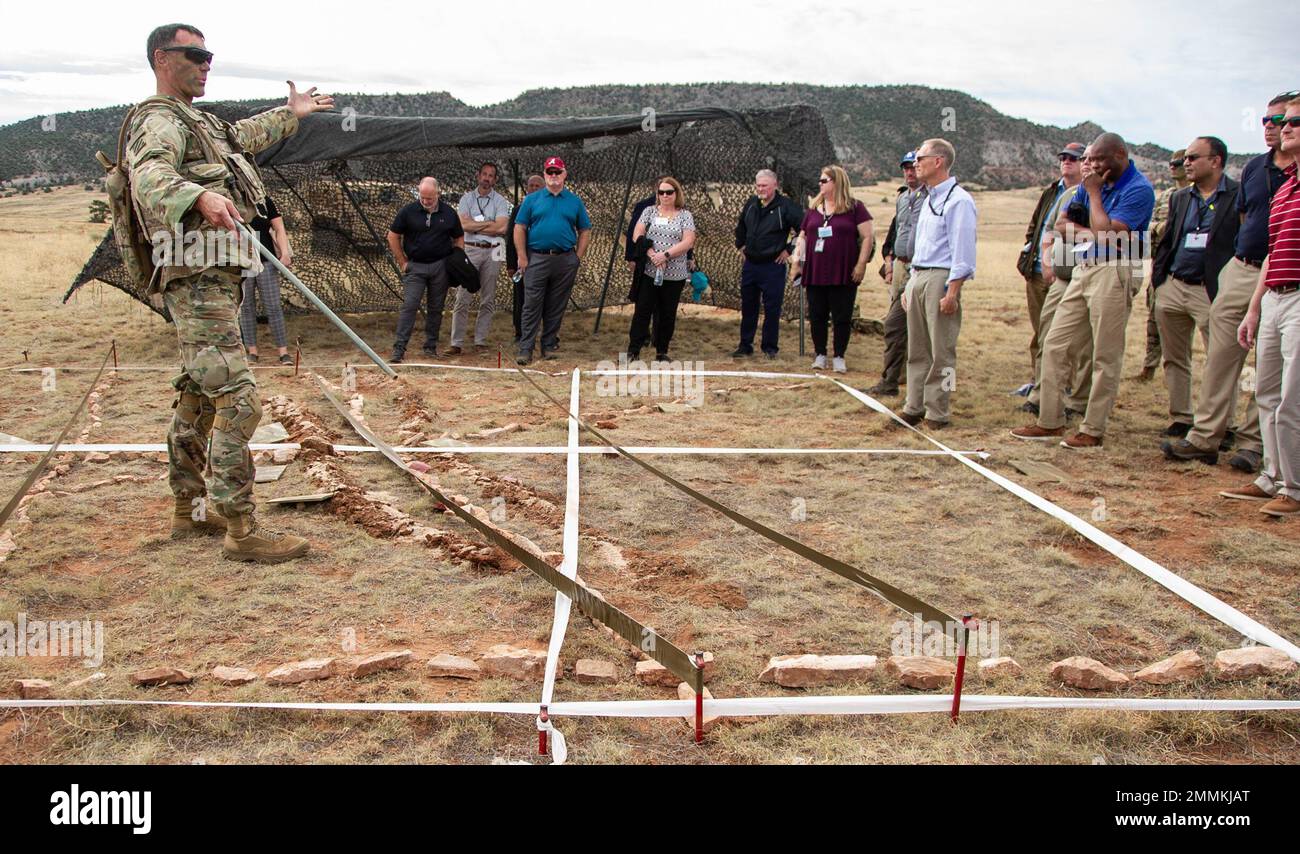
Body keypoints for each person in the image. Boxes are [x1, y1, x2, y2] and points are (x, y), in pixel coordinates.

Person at [128, 23, 331, 561]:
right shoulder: (157, 120)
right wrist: (197, 197)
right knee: (239, 400)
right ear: (161, 59)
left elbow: (242, 137)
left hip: (213, 278)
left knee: (198, 395)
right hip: (195, 279)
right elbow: (148, 177)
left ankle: (190, 509)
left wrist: (292, 113)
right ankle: (241, 530)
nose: (206, 63)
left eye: (209, 54)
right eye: (194, 54)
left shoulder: (200, 122)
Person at [1164, 92, 1297, 472]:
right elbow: (1245, 221)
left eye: (1283, 119)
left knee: (1270, 362)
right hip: (1242, 268)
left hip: (1283, 275)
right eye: (1268, 120)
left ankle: (1255, 443)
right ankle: (1206, 437)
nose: (1273, 126)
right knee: (1222, 355)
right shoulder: (1255, 169)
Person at [1012, 132, 1155, 448]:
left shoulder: (1138, 189)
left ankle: (1092, 428)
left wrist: (1092, 195)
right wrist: (1091, 232)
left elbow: (1110, 235)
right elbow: (1061, 224)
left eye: (1098, 160)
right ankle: (1049, 421)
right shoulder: (1092, 184)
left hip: (1116, 269)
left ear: (1119, 155)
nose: (1092, 166)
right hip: (1083, 267)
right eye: (1088, 160)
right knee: (1054, 343)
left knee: (1105, 352)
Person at [1221, 95, 1300, 518]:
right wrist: (1255, 308)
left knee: (1292, 397)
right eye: (1279, 122)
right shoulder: (1287, 187)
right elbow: (1271, 252)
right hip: (1275, 296)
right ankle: (1273, 476)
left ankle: (1294, 486)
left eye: (1293, 122)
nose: (1283, 128)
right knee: (1267, 391)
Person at [1150, 137, 1240, 441]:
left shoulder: (1236, 196)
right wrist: (1160, 280)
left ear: (1215, 161)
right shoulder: (1180, 198)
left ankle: (1222, 424)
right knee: (1175, 357)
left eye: (1193, 157)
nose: (1186, 163)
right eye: (1185, 158)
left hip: (1211, 289)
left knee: (1220, 360)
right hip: (1174, 284)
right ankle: (1181, 417)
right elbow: (1170, 237)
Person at [893, 138, 976, 429]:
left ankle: (937, 412)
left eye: (921, 157)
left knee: (941, 348)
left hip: (942, 278)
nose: (916, 163)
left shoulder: (959, 200)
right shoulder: (927, 199)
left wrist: (952, 292)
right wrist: (911, 283)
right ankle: (913, 406)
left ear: (938, 161)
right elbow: (922, 245)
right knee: (917, 348)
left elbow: (963, 252)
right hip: (919, 275)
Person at [1023, 143, 1092, 418]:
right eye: (1064, 158)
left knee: (1080, 343)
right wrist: (1044, 261)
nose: (1071, 162)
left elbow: (1128, 239)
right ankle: (1042, 393)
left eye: (1078, 159)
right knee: (1045, 335)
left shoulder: (1109, 193)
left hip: (1086, 274)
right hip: (1051, 273)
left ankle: (1076, 398)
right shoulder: (1059, 193)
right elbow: (1046, 228)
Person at [792, 165, 873, 373]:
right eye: (820, 180)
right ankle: (820, 354)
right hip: (815, 269)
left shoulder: (855, 207)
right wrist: (796, 262)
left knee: (841, 316)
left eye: (824, 180)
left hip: (843, 270)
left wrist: (861, 264)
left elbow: (867, 238)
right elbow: (802, 236)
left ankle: (839, 356)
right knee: (817, 314)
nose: (820, 184)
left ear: (837, 182)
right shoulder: (813, 209)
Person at [513, 156, 592, 365]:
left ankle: (548, 345)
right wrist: (522, 256)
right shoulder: (532, 200)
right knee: (531, 305)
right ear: (545, 174)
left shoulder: (574, 201)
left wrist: (578, 257)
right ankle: (525, 348)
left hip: (565, 259)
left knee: (556, 305)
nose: (554, 176)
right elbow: (519, 227)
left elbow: (585, 229)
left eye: (558, 172)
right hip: (537, 258)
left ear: (564, 174)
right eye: (550, 172)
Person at [388, 177, 464, 362]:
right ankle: (399, 348)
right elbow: (392, 236)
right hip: (415, 266)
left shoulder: (449, 212)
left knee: (436, 308)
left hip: (440, 266)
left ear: (438, 193)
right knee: (410, 305)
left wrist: (456, 260)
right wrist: (402, 262)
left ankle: (430, 346)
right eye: (422, 197)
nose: (426, 201)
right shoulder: (408, 211)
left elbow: (459, 237)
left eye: (429, 198)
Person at [732, 169, 804, 359]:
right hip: (751, 265)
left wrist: (789, 249)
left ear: (775, 186)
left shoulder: (786, 207)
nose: (761, 189)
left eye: (765, 185)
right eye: (758, 185)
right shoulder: (751, 204)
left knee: (772, 309)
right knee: (748, 307)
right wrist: (741, 246)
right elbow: (741, 226)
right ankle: (745, 345)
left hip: (773, 266)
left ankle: (770, 348)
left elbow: (804, 229)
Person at [869, 151, 925, 395]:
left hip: (922, 268)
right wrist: (889, 259)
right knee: (896, 322)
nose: (909, 172)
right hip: (901, 265)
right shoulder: (902, 198)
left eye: (913, 167)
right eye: (905, 168)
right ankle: (892, 378)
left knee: (916, 325)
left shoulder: (932, 197)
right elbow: (896, 231)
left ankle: (912, 382)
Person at [625, 176, 696, 362]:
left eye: (669, 192)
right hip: (649, 271)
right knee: (642, 311)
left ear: (676, 193)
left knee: (667, 313)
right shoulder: (649, 211)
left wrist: (665, 255)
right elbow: (637, 233)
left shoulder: (685, 215)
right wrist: (651, 255)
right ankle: (633, 351)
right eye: (661, 192)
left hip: (674, 274)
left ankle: (662, 351)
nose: (665, 195)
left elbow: (688, 240)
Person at [447, 162, 510, 355]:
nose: (487, 178)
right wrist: (489, 224)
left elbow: (501, 228)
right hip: (470, 250)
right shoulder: (466, 199)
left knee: (488, 298)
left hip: (492, 251)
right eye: (484, 174)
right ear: (478, 175)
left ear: (495, 179)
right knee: (462, 298)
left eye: (491, 176)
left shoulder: (501, 201)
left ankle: (480, 340)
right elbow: (463, 225)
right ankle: (456, 342)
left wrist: (475, 225)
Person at [1139, 150, 1191, 380]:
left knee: (1181, 326)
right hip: (1161, 265)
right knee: (1153, 319)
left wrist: (1164, 229)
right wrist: (1162, 229)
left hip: (1187, 267)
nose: (1173, 167)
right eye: (1170, 162)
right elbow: (1150, 227)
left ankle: (1179, 370)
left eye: (1178, 163)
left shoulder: (1195, 196)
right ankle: (1149, 366)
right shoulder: (1165, 196)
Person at [239, 193, 293, 365]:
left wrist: (284, 253)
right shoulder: (232, 198)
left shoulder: (264, 200)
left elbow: (279, 228)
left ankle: (283, 352)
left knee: (273, 306)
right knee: (246, 307)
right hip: (242, 262)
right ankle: (252, 351)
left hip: (266, 261)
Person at [507, 173, 544, 343]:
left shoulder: (547, 208)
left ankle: (542, 333)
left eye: (538, 186)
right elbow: (510, 238)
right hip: (522, 262)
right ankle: (519, 332)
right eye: (531, 185)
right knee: (520, 298)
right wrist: (511, 264)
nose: (534, 189)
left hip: (542, 260)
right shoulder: (518, 210)